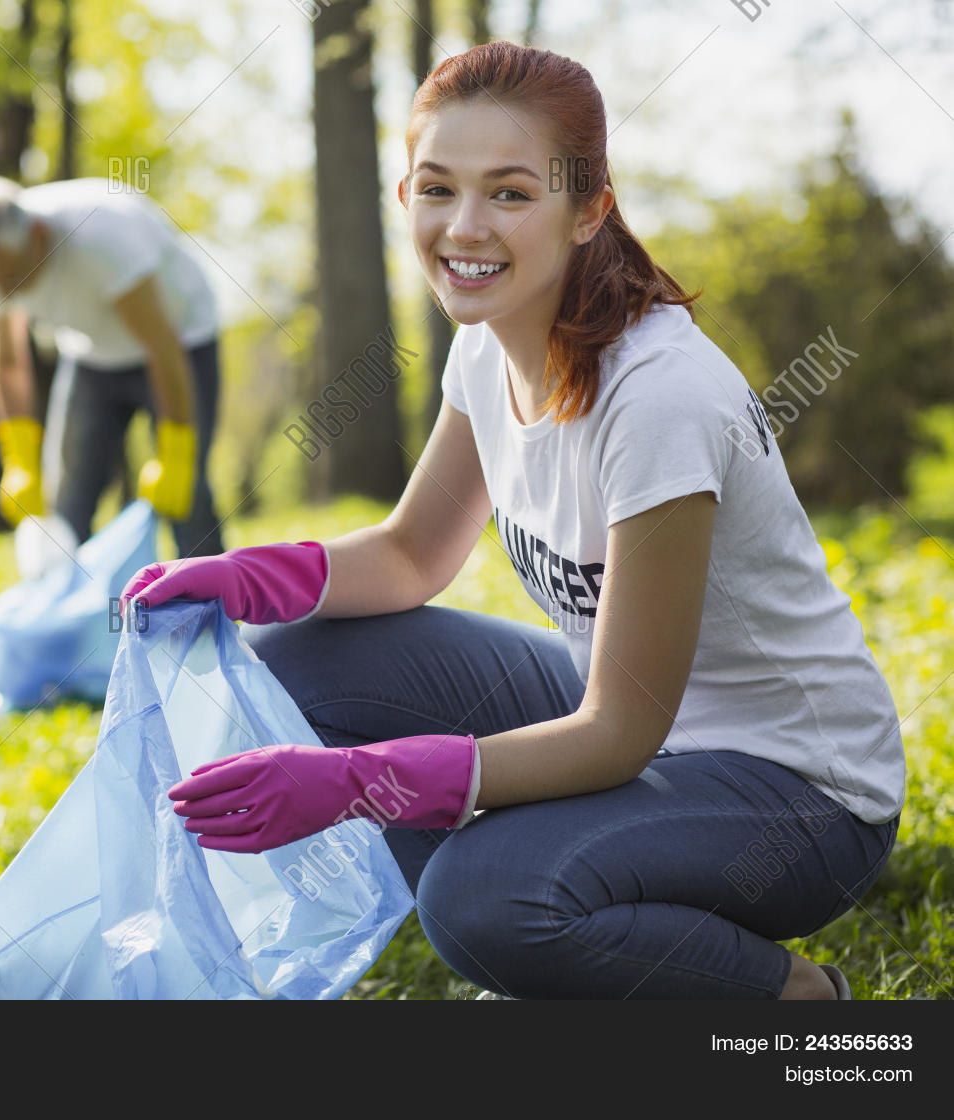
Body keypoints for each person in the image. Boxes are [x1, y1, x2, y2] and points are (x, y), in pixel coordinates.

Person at [123, 42, 905, 1000]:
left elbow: (619, 732)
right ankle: (560, 919)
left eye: (509, 193)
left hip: (797, 798)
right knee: (308, 655)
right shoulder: (484, 349)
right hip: (619, 722)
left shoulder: (659, 397)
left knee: (482, 902)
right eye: (436, 188)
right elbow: (413, 555)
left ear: (588, 211)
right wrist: (247, 577)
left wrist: (363, 779)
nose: (464, 226)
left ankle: (796, 1002)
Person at [0, 175, 225, 558]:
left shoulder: (102, 236)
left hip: (181, 344)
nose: (6, 294)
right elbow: (8, 360)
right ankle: (77, 607)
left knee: (186, 491)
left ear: (39, 237)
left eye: (13, 279)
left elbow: (161, 345)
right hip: (90, 354)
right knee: (68, 496)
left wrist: (176, 449)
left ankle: (210, 601)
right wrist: (19, 458)